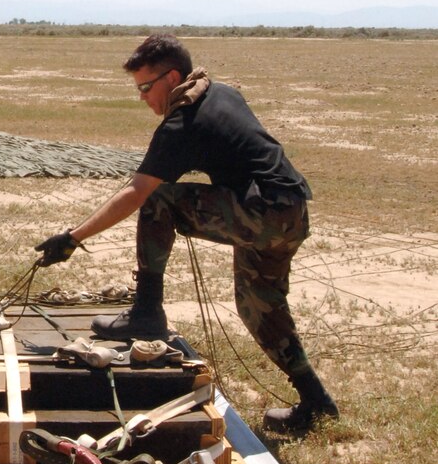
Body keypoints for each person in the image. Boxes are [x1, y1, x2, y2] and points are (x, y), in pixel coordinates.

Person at [34, 33, 338, 434]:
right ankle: (316, 401)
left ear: (171, 76)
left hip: (261, 213)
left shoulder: (182, 121)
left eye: (145, 87)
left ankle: (147, 312)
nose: (142, 97)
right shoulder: (220, 92)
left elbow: (136, 192)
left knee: (159, 200)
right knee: (260, 309)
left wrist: (73, 237)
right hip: (291, 213)